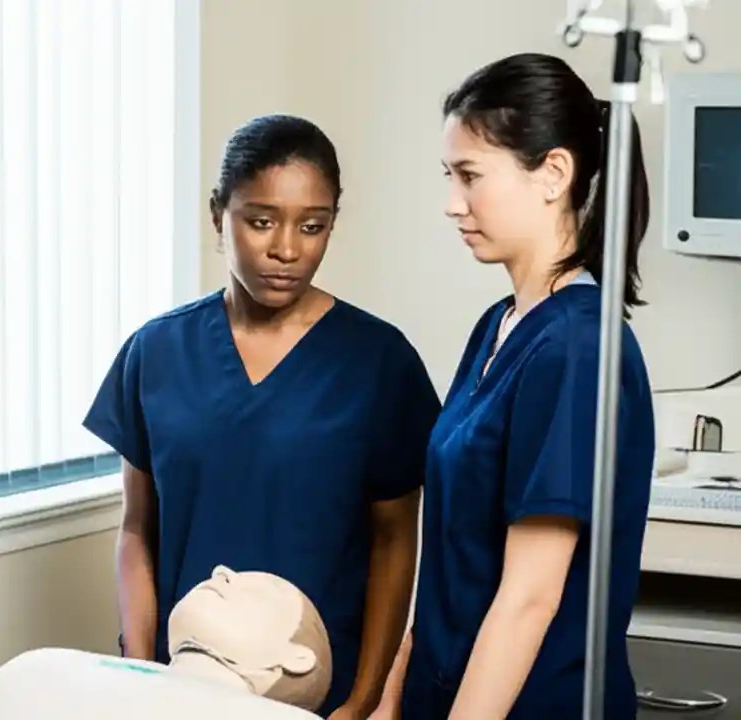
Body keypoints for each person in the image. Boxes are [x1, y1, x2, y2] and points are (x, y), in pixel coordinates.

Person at [84, 114, 442, 719]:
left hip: (323, 695)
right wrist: (141, 669)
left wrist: (365, 698)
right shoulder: (157, 353)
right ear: (216, 215)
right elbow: (139, 529)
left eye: (312, 226)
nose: (286, 249)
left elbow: (395, 541)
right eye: (260, 221)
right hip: (186, 686)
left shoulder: (379, 362)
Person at [370, 53, 657, 719]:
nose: (452, 204)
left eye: (471, 176)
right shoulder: (498, 327)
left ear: (554, 173)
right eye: (449, 176)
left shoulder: (577, 349)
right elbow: (449, 559)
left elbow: (531, 597)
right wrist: (392, 699)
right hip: (440, 692)